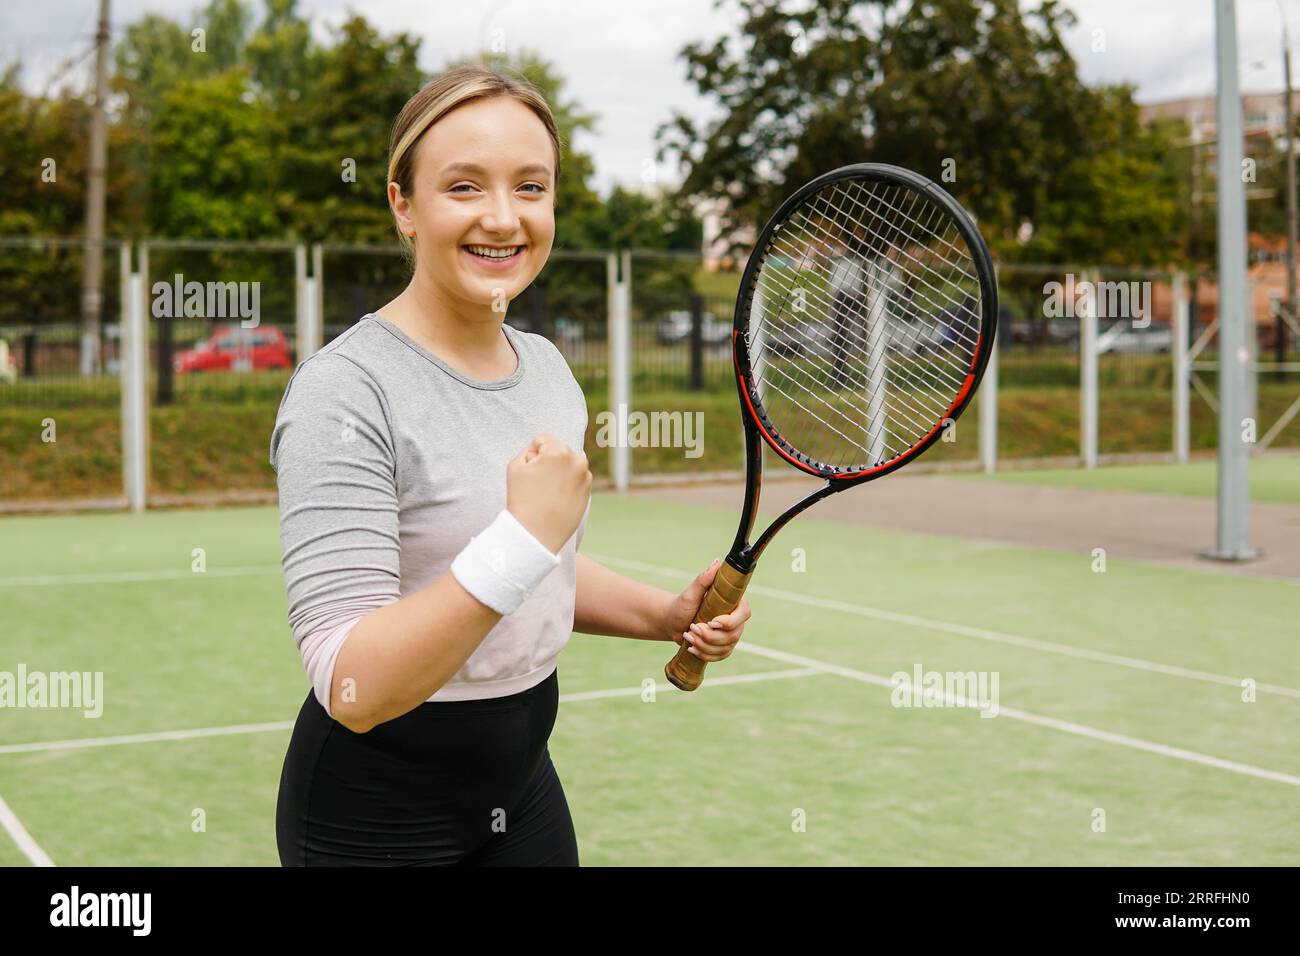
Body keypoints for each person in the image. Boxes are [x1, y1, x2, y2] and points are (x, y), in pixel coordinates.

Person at [270, 64, 752, 866]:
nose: (504, 217)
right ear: (403, 204)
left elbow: (545, 567)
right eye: (463, 186)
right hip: (373, 816)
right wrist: (522, 537)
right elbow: (353, 686)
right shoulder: (343, 392)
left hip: (522, 787)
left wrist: (663, 617)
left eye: (532, 187)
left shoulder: (550, 373)